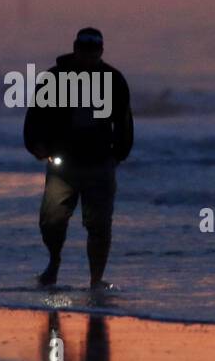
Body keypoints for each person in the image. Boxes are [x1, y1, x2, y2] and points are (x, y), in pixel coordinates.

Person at [23, 27, 133, 292]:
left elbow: (124, 121)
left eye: (93, 51)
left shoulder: (114, 79)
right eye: (84, 50)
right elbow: (35, 116)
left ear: (101, 52)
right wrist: (36, 146)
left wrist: (118, 155)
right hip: (63, 164)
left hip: (99, 162)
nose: (88, 56)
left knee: (99, 225)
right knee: (51, 221)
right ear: (75, 48)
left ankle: (96, 280)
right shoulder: (54, 78)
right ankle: (54, 262)